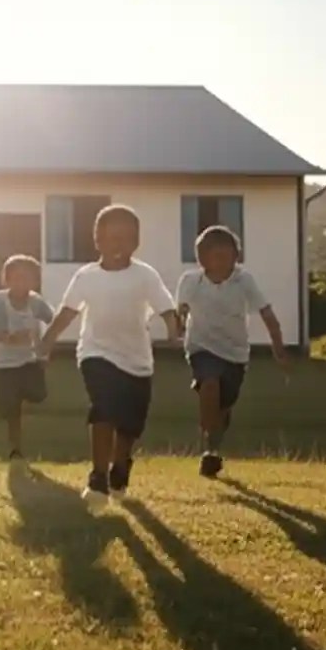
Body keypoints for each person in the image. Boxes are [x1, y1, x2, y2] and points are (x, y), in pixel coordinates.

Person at [39, 205, 180, 510]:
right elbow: (68, 311)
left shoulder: (144, 275)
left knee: (129, 425)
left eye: (127, 239)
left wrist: (172, 327)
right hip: (96, 353)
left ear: (136, 243)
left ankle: (120, 464)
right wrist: (48, 339)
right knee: (103, 408)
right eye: (112, 238)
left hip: (137, 361)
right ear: (98, 241)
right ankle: (98, 476)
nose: (119, 245)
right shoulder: (86, 276)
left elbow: (165, 306)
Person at [175, 226, 289, 478]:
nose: (223, 262)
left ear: (235, 256)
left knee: (222, 408)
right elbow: (181, 310)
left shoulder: (243, 281)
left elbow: (266, 313)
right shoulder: (190, 281)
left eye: (228, 256)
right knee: (209, 384)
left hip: (235, 353)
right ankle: (207, 445)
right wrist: (178, 326)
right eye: (216, 256)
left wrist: (278, 347)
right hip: (200, 347)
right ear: (203, 258)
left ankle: (213, 449)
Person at [0, 254, 54, 461]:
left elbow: (53, 319)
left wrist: (44, 347)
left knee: (38, 395)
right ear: (6, 280)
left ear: (34, 282)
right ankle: (15, 448)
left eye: (27, 278)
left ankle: (21, 404)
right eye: (16, 278)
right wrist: (12, 338)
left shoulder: (36, 302)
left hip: (30, 359)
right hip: (4, 363)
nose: (21, 283)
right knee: (10, 411)